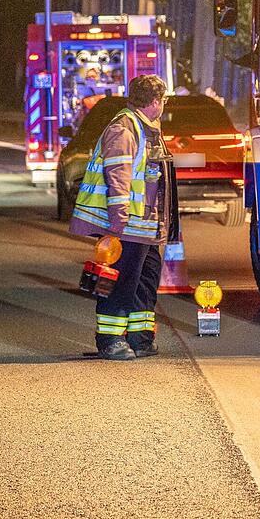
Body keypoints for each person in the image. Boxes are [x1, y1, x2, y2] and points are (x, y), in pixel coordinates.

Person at [68, 74, 173, 360]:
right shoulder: (124, 129)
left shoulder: (145, 127)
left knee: (145, 283)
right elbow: (119, 179)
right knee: (121, 283)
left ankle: (140, 338)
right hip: (128, 226)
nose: (163, 105)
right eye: (162, 100)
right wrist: (117, 224)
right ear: (155, 102)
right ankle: (110, 340)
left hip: (146, 227)